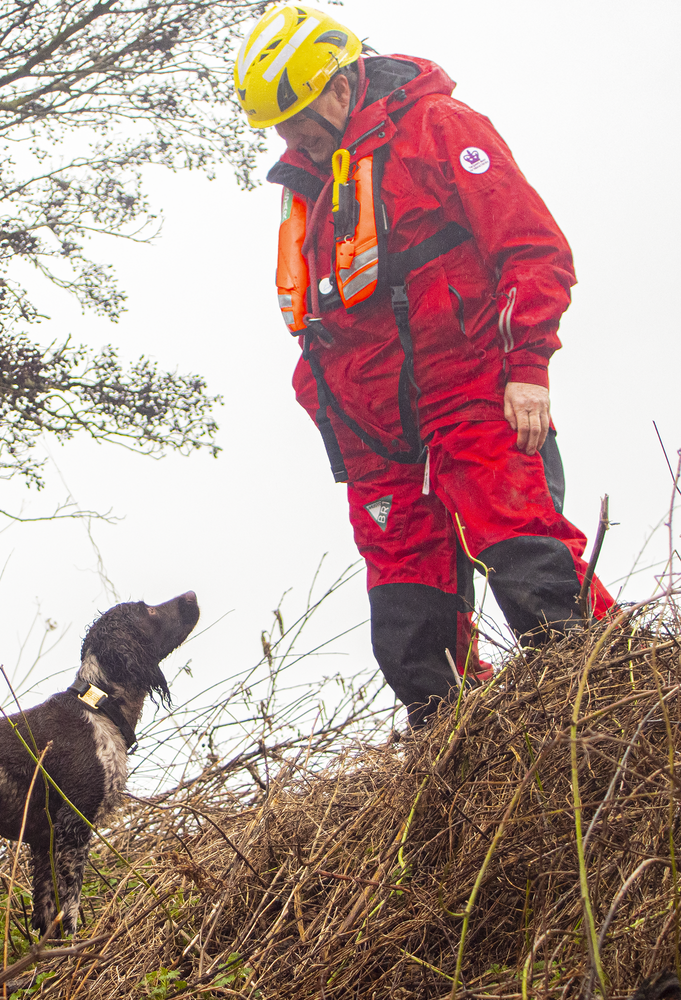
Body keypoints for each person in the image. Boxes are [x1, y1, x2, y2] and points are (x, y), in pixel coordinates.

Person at [233, 4, 615, 726]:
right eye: (278, 126)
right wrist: (336, 426)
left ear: (339, 87)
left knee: (534, 577)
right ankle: (459, 759)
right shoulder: (310, 184)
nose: (290, 138)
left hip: (471, 395)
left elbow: (533, 251)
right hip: (377, 439)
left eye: (295, 117)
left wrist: (528, 366)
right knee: (409, 632)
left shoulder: (439, 128)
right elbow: (325, 329)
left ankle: (612, 715)